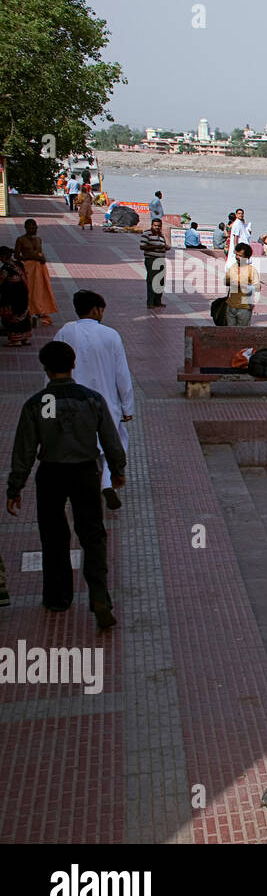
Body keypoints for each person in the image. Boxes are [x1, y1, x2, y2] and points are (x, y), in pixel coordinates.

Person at [6, 340, 126, 630]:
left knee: (53, 534)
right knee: (93, 535)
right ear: (73, 365)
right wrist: (117, 469)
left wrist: (15, 487)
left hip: (51, 473)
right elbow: (111, 439)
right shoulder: (92, 399)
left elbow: (24, 450)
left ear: (45, 369)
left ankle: (58, 597)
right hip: (85, 473)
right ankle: (99, 595)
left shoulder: (37, 404)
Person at [54, 289, 134, 510]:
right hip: (107, 403)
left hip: (72, 401)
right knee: (113, 443)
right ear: (95, 310)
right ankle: (107, 483)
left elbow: (52, 366)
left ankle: (89, 485)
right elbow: (122, 374)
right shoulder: (110, 335)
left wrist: (50, 402)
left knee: (84, 444)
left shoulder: (65, 333)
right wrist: (128, 406)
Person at [14, 219, 57, 326]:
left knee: (39, 290)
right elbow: (16, 256)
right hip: (28, 268)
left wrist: (42, 258)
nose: (32, 230)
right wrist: (30, 257)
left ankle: (39, 311)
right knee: (28, 290)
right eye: (29, 227)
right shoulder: (21, 240)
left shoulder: (39, 239)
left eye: (33, 227)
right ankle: (28, 311)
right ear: (25, 228)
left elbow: (40, 252)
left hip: (39, 268)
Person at [0, 246, 32, 347]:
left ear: (4, 257)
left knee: (13, 317)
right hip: (22, 294)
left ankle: (15, 340)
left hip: (12, 297)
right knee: (24, 315)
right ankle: (25, 338)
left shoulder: (5, 269)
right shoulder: (19, 264)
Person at [223, 242, 259, 326]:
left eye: (240, 256)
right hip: (231, 306)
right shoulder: (233, 267)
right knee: (230, 332)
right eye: (236, 255)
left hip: (244, 308)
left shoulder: (251, 270)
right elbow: (226, 281)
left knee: (242, 333)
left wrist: (242, 285)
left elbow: (257, 287)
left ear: (247, 257)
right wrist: (231, 282)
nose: (237, 257)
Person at [139, 217, 170, 309]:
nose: (157, 227)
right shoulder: (147, 234)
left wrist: (165, 247)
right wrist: (156, 247)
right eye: (155, 225)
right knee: (152, 281)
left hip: (160, 260)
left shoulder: (161, 235)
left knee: (160, 282)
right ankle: (150, 302)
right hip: (151, 260)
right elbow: (142, 247)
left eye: (159, 226)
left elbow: (162, 246)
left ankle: (157, 301)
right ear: (152, 225)